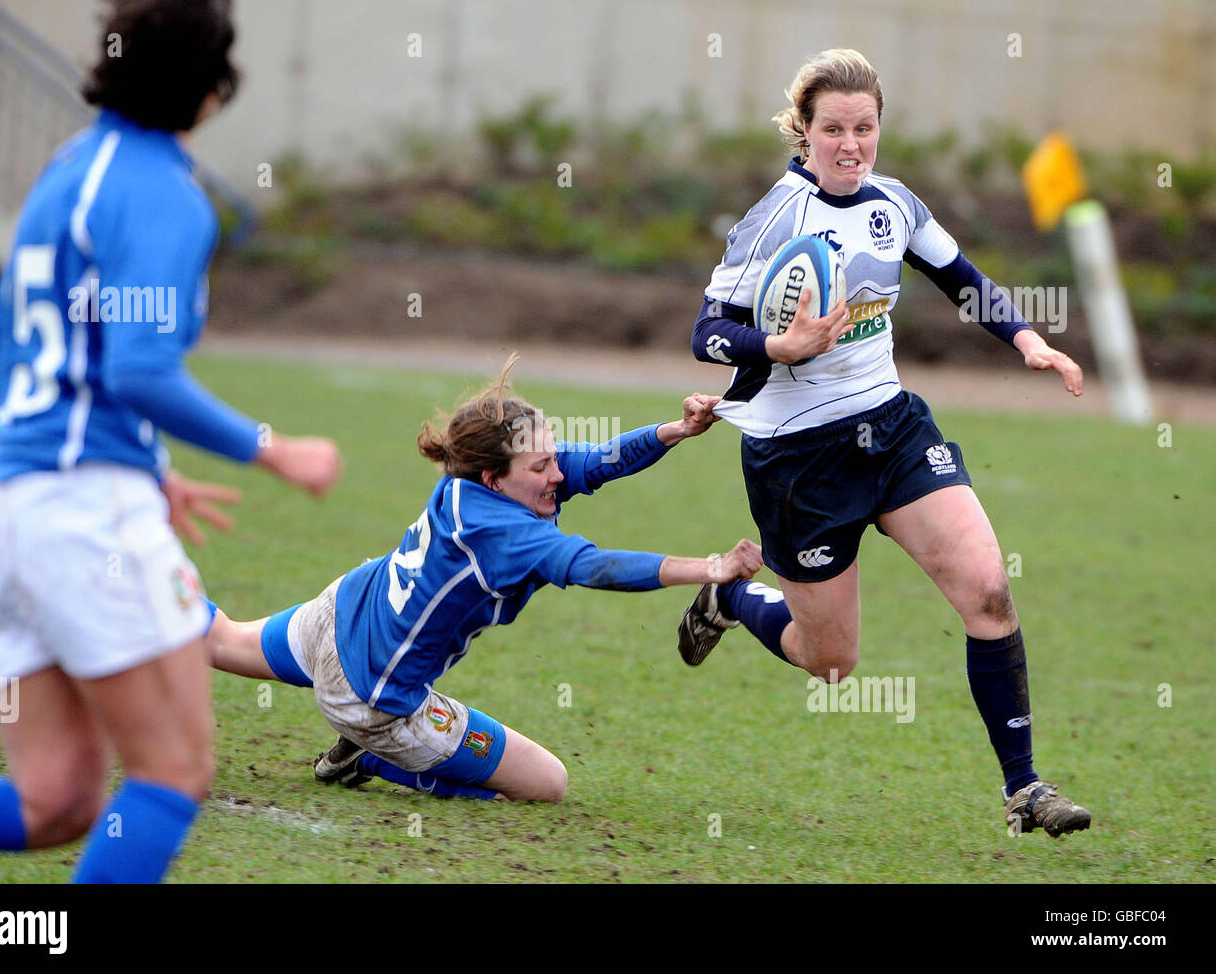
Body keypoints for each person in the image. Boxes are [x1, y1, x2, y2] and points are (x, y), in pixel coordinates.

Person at [0, 0, 342, 883]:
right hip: (76, 520)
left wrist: (142, 463)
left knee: (57, 801)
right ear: (211, 90)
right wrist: (275, 447)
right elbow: (138, 373)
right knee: (172, 768)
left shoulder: (67, 171)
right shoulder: (165, 195)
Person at [681, 48, 1090, 837]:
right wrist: (780, 348)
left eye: (863, 128)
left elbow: (960, 275)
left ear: (878, 130)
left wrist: (1028, 342)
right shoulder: (775, 218)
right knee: (831, 662)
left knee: (990, 591)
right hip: (798, 461)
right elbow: (707, 332)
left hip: (893, 430)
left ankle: (1024, 787)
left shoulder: (894, 203)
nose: (849, 144)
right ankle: (731, 595)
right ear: (803, 132)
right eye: (832, 128)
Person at [205, 357, 762, 801]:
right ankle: (368, 753)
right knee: (547, 784)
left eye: (551, 457)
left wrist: (677, 429)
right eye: (541, 467)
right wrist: (710, 568)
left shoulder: (474, 478)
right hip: (372, 698)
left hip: (339, 612)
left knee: (220, 639)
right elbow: (596, 566)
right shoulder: (502, 532)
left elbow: (598, 460)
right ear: (496, 479)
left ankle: (146, 601)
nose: (558, 473)